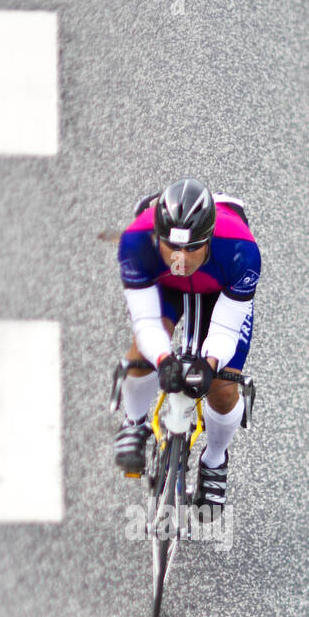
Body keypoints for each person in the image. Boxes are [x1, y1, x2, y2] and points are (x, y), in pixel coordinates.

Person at [114, 178, 260, 507]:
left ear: (208, 239)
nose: (181, 258)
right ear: (156, 237)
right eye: (172, 246)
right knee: (141, 356)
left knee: (222, 387)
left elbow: (225, 328)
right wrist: (164, 360)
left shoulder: (241, 250)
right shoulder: (136, 243)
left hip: (220, 285)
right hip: (163, 284)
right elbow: (147, 322)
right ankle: (134, 423)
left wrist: (208, 366)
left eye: (192, 248)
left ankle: (215, 461)